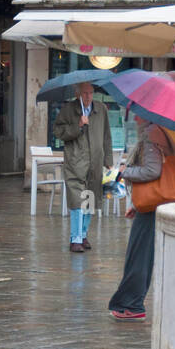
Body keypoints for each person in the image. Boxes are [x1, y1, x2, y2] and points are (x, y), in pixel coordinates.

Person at [108, 116, 175, 321]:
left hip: (153, 206)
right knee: (142, 254)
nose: (134, 117)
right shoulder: (164, 130)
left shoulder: (153, 134)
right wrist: (136, 204)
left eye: (137, 112)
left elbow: (152, 171)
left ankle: (132, 305)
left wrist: (124, 172)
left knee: (139, 256)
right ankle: (131, 302)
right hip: (155, 203)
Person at [54, 81, 112, 253]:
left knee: (91, 199)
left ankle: (84, 234)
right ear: (77, 93)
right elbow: (58, 132)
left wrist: (108, 158)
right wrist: (77, 126)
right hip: (75, 161)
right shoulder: (68, 110)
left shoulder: (100, 109)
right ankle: (76, 238)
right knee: (77, 200)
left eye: (91, 92)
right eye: (85, 93)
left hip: (95, 161)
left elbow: (106, 136)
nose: (88, 96)